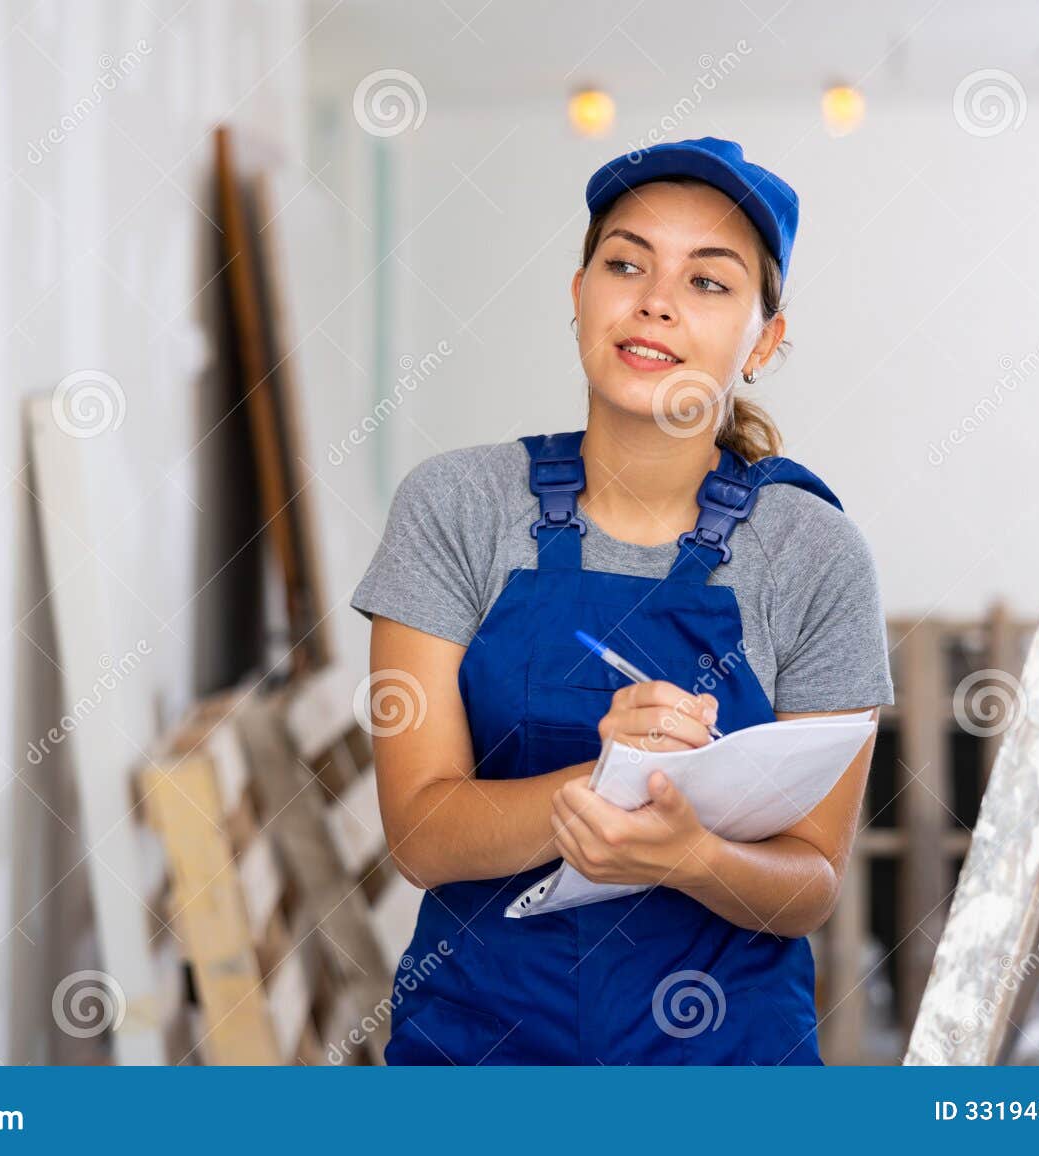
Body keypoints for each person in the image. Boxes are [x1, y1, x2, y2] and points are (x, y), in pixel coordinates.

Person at [349, 136, 895, 1065]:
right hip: (480, 1052)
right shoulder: (457, 506)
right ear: (579, 295)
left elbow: (810, 882)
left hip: (724, 1064)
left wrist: (692, 856)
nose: (655, 300)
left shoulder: (815, 553)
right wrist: (603, 786)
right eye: (626, 263)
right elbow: (422, 836)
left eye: (708, 282)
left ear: (764, 342)